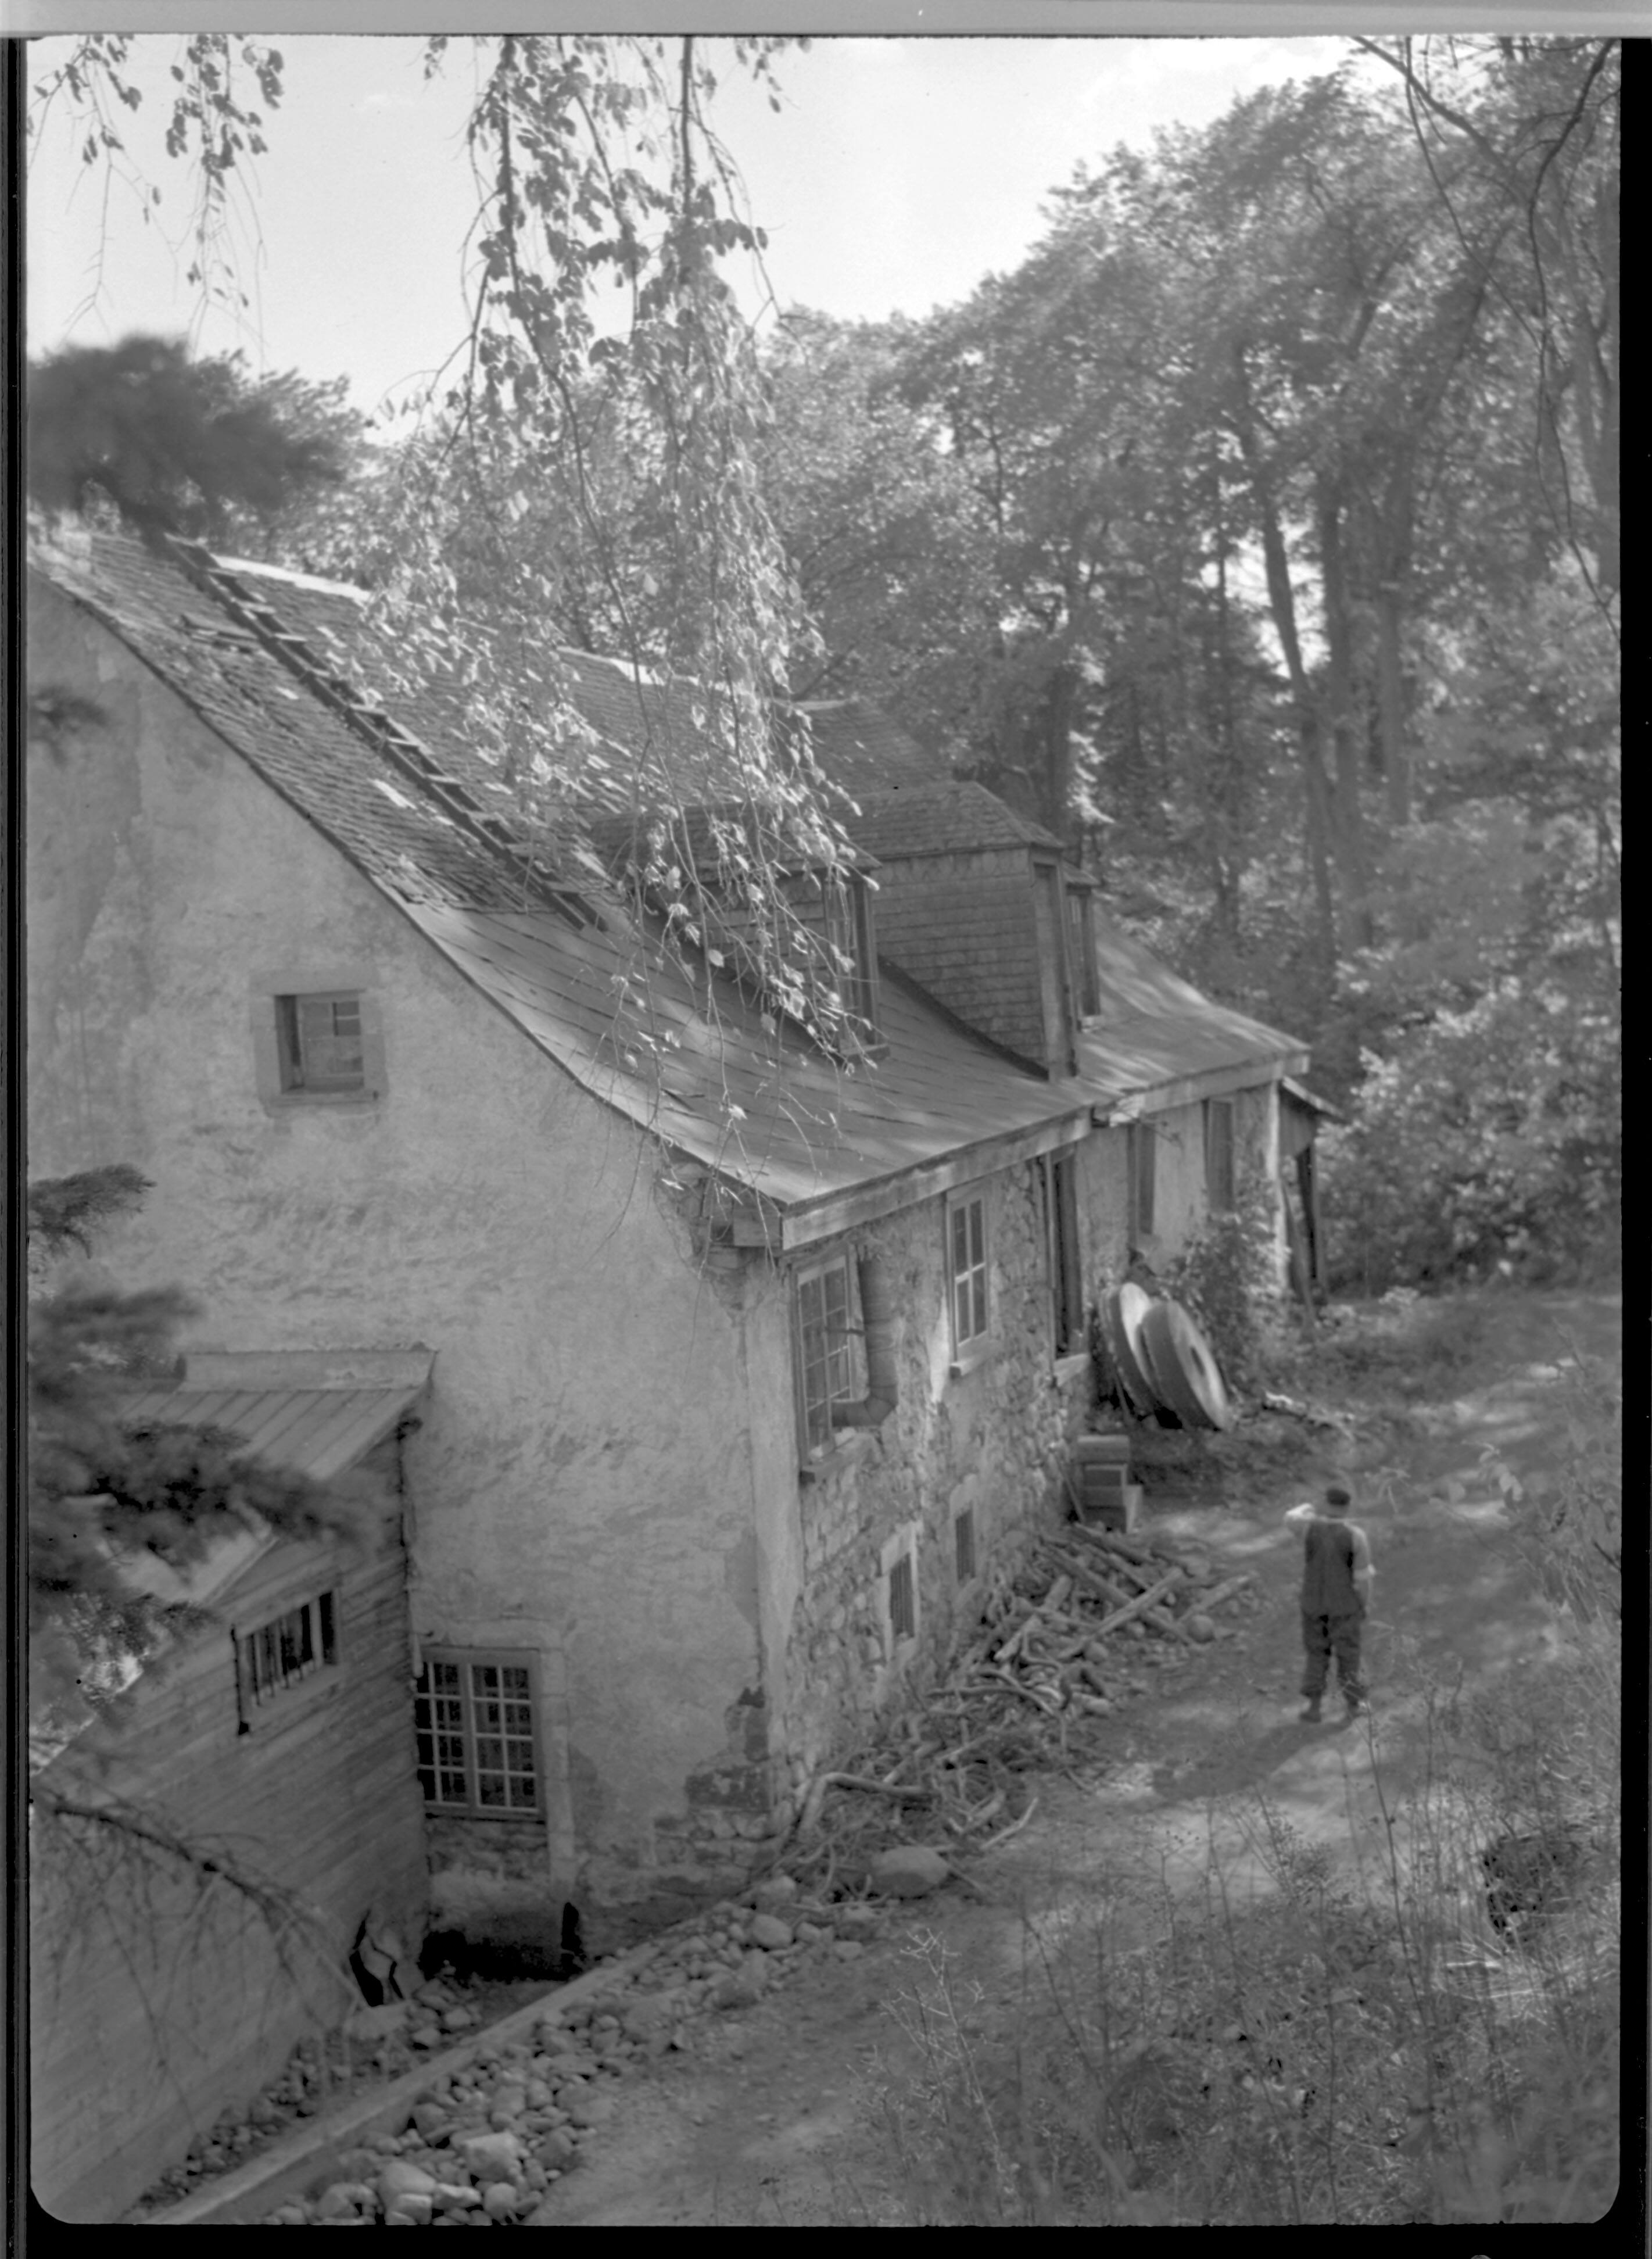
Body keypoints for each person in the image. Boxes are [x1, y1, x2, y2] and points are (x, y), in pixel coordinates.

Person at [1284, 1484, 1375, 1723]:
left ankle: (1314, 1707)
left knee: (1316, 1654)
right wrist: (1364, 1605)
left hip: (1313, 1605)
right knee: (1349, 1656)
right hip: (1344, 1608)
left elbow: (1290, 1517)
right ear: (1347, 1507)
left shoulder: (1309, 1529)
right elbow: (1363, 1579)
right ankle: (1354, 1705)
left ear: (1327, 1504)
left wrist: (1311, 1508)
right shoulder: (1356, 1536)